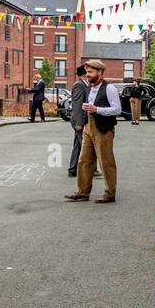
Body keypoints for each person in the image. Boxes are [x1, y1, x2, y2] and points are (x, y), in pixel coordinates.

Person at [64, 60, 121, 203]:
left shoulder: (109, 88)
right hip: (88, 127)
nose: (87, 75)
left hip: (103, 129)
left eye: (90, 72)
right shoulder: (90, 87)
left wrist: (97, 109)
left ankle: (110, 193)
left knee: (106, 162)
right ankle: (83, 192)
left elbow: (117, 109)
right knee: (84, 161)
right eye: (87, 72)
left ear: (100, 73)